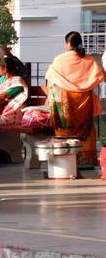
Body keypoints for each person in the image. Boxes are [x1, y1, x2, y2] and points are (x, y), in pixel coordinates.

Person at [45, 31, 105, 169]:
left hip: (65, 104)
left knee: (65, 130)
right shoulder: (89, 59)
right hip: (85, 102)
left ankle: (67, 161)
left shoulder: (60, 59)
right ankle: (86, 161)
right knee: (87, 128)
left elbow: (51, 79)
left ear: (68, 44)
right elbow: (99, 77)